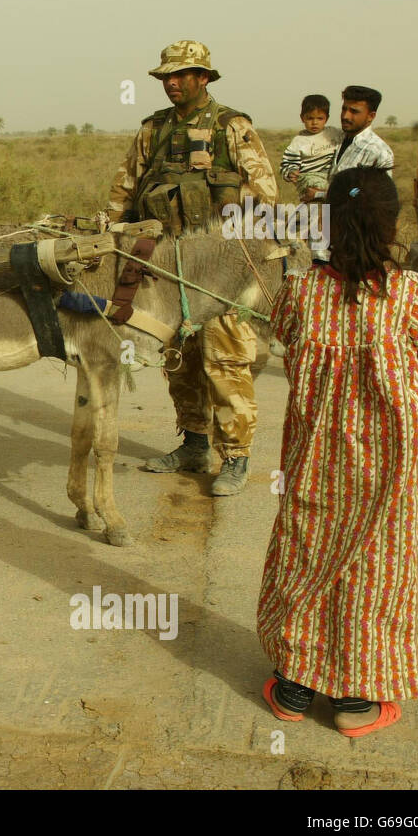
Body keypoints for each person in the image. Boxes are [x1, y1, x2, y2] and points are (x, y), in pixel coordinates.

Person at [257, 167, 418, 737]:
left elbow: (285, 339)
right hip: (391, 467)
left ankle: (295, 685)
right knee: (381, 566)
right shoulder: (412, 294)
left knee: (307, 553)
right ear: (392, 223)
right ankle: (353, 698)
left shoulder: (299, 292)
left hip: (314, 461)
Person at [107, 40, 278, 496]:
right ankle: (195, 443)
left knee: (225, 361)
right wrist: (111, 234)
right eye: (166, 77)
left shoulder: (231, 125)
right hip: (165, 268)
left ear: (204, 77)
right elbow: (125, 189)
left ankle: (236, 458)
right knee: (178, 360)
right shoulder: (152, 130)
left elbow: (264, 194)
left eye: (180, 75)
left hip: (219, 271)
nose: (171, 83)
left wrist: (241, 255)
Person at [279, 94, 342, 196]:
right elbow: (287, 164)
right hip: (309, 178)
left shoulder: (334, 133)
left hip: (329, 176)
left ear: (327, 118)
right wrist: (291, 172)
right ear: (302, 118)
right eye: (310, 118)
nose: (314, 122)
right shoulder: (298, 141)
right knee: (318, 186)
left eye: (320, 118)